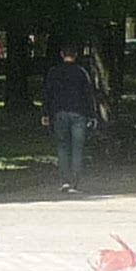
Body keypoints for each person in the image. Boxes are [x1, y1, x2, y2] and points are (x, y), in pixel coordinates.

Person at [41, 45, 98, 193]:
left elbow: (47, 93)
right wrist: (92, 115)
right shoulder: (81, 72)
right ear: (76, 54)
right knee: (77, 148)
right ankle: (74, 181)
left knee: (63, 147)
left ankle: (64, 180)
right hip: (78, 113)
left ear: (61, 54)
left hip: (59, 113)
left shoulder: (54, 72)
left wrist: (45, 113)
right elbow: (88, 95)